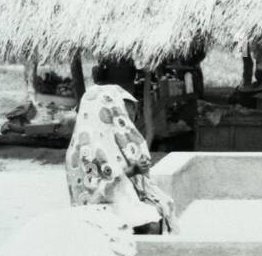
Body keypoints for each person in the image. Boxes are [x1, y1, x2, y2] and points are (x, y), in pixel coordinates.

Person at [65, 83, 178, 234]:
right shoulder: (89, 149)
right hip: (100, 211)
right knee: (153, 223)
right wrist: (132, 171)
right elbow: (97, 192)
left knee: (161, 205)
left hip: (111, 204)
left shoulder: (92, 142)